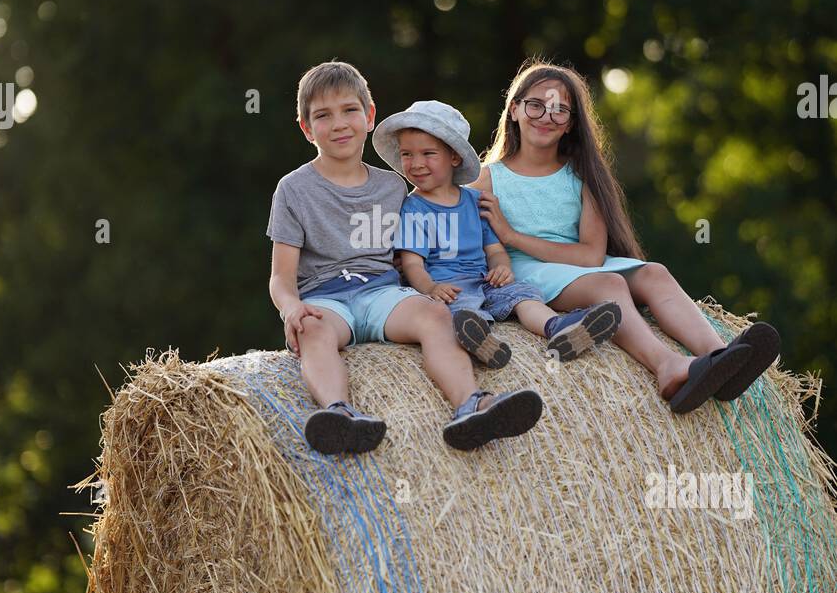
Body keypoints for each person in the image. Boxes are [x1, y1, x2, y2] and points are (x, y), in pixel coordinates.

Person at [266, 60, 543, 453]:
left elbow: (424, 240)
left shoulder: (394, 186)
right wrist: (291, 308)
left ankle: (471, 405)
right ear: (306, 128)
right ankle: (340, 415)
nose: (340, 123)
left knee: (435, 316)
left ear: (369, 116)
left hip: (383, 293)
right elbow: (281, 277)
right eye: (323, 116)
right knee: (313, 331)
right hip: (325, 297)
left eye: (349, 110)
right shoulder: (293, 190)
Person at [474, 60, 780, 415]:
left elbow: (591, 254)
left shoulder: (583, 177)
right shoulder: (486, 178)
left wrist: (513, 233)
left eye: (560, 110)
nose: (547, 116)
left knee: (655, 273)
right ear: (514, 109)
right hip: (529, 272)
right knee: (610, 286)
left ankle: (721, 358)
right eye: (536, 105)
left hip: (582, 264)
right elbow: (444, 216)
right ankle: (666, 365)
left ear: (571, 123)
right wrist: (507, 240)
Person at [371, 99, 621, 368]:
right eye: (407, 154)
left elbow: (495, 250)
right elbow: (411, 263)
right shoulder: (413, 208)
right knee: (462, 312)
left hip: (484, 280)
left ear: (454, 156)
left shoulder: (476, 201)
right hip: (449, 289)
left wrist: (502, 268)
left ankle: (557, 326)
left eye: (427, 153)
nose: (415, 163)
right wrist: (431, 288)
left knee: (522, 295)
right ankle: (480, 340)